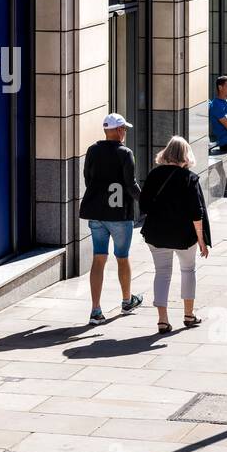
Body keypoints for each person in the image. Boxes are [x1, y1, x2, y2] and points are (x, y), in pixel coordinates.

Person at [139, 136, 211, 333]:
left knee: (162, 273)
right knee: (188, 270)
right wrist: (201, 239)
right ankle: (189, 315)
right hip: (184, 236)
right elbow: (197, 213)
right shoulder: (189, 178)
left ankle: (162, 320)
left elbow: (143, 205)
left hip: (157, 234)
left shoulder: (153, 175)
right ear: (186, 156)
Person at [77, 113, 143, 324]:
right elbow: (130, 184)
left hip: (96, 213)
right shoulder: (126, 153)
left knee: (99, 258)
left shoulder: (93, 150)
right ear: (114, 130)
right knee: (122, 257)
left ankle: (95, 310)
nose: (125, 132)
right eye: (122, 128)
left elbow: (88, 179)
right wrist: (147, 201)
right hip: (119, 214)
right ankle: (126, 301)